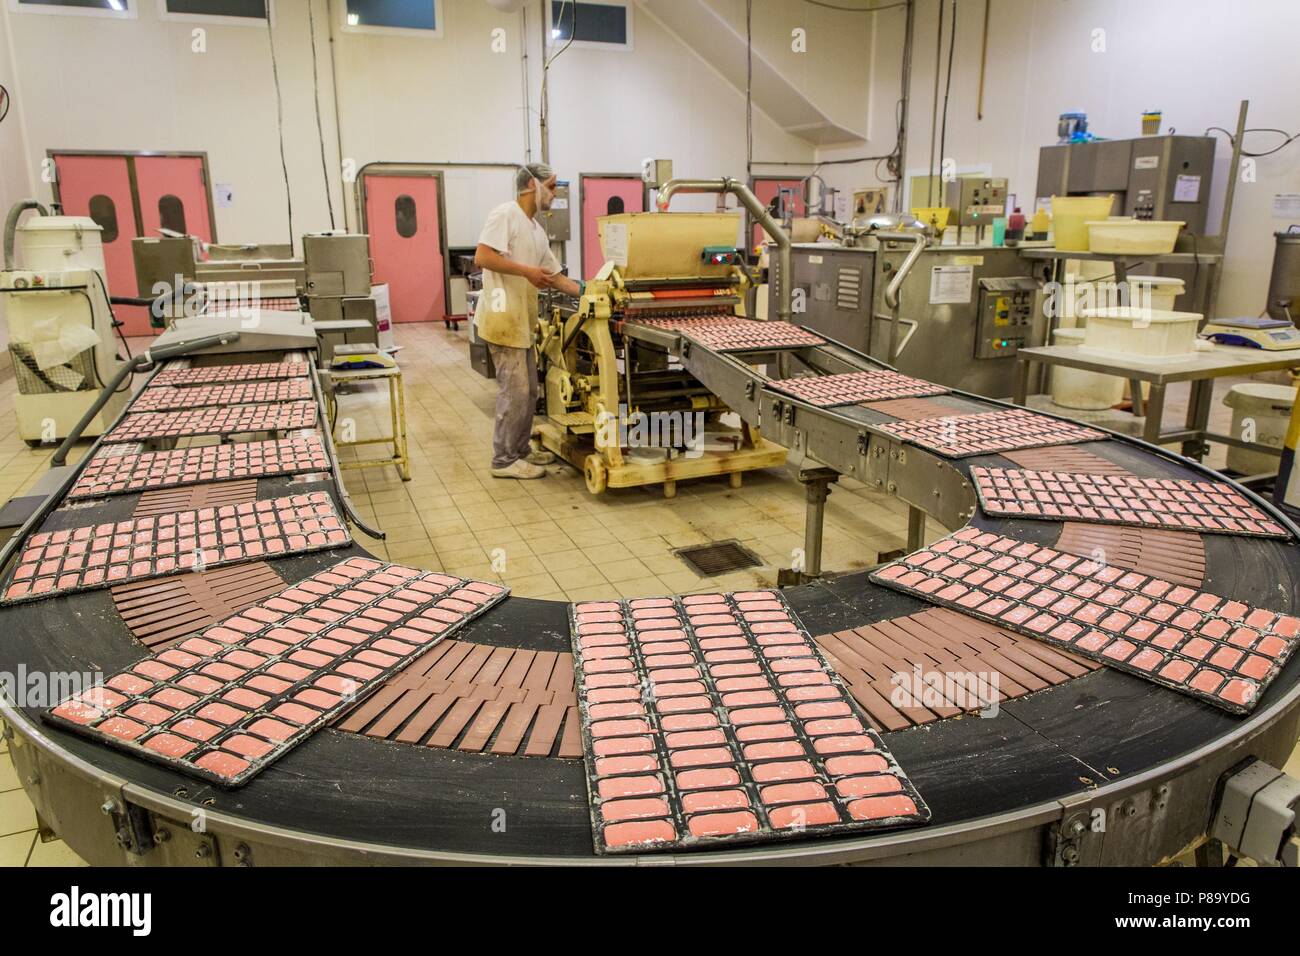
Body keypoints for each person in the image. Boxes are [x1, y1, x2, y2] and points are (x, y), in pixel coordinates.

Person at [473, 162, 583, 479]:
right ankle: (503, 460)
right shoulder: (505, 214)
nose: (555, 194)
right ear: (533, 185)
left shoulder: (536, 230)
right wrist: (527, 272)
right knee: (515, 392)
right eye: (551, 186)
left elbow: (555, 276)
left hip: (521, 322)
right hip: (502, 318)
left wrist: (590, 291)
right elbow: (483, 256)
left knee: (530, 392)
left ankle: (520, 451)